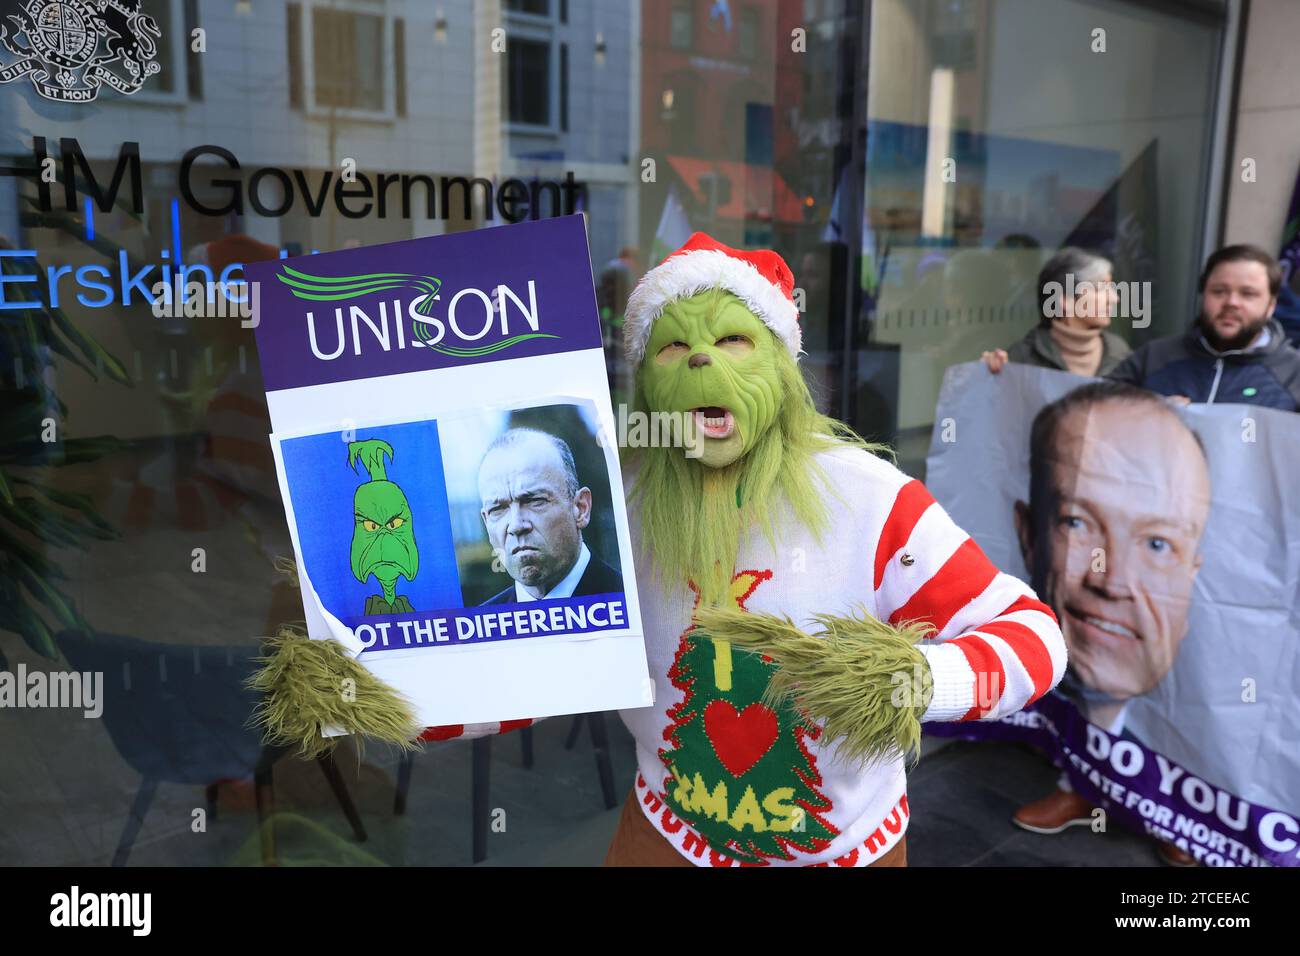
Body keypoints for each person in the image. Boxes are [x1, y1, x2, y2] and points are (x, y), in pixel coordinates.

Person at [255, 233, 1067, 868]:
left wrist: (910, 679)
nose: (703, 360)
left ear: (782, 369)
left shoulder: (870, 496)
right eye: (675, 349)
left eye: (734, 342)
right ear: (646, 382)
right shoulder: (617, 507)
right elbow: (533, 674)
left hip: (839, 846)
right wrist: (373, 685)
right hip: (667, 833)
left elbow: (1035, 640)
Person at [1012, 381, 1212, 866]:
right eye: (1077, 522)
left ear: (1193, 576)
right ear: (1028, 537)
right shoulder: (1151, 362)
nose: (1113, 581)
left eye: (1158, 544)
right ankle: (1080, 786)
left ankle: (1173, 814)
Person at [1106, 244, 1300, 410]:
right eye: (1219, 291)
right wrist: (1150, 414)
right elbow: (1095, 413)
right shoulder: (1154, 356)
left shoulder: (1293, 373)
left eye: (1247, 294)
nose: (1231, 302)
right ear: (1203, 295)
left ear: (1271, 306)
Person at [477, 428, 623, 604]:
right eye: (498, 509)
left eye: (535, 501)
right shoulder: (482, 624)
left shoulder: (634, 602)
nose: (516, 525)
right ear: (486, 522)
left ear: (581, 508)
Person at [983, 247, 1131, 377]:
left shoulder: (1121, 355)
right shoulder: (1021, 360)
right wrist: (988, 374)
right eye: (1100, 289)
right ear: (1066, 299)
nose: (1114, 298)